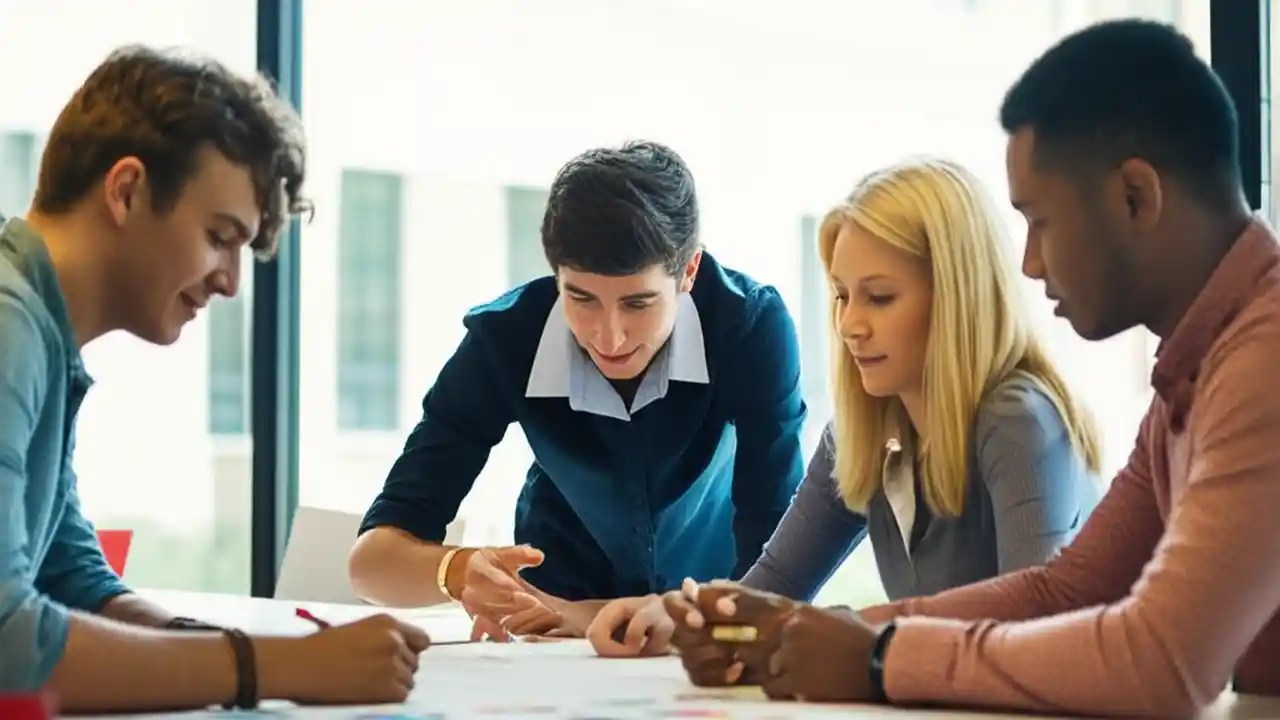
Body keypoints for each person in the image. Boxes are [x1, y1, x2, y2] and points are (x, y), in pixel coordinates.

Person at [661, 19, 1280, 718]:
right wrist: (803, 635)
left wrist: (878, 657)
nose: (1029, 264)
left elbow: (1161, 664)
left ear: (1136, 197)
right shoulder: (1194, 370)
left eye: (1040, 221)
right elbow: (1064, 591)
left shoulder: (1264, 359)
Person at [0, 46, 430, 711]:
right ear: (126, 191)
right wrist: (272, 667)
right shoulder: (9, 326)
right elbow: (8, 643)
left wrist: (208, 640)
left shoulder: (42, 334)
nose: (230, 281)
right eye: (219, 235)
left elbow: (67, 574)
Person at [586, 157, 1102, 658]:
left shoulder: (1018, 419)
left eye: (878, 298)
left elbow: (1032, 629)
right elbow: (775, 587)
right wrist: (677, 616)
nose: (850, 325)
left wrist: (831, 632)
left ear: (956, 298)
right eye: (841, 296)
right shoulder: (862, 432)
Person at [348, 141, 808, 639]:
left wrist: (668, 619)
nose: (608, 337)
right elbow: (369, 564)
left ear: (688, 272)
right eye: (580, 298)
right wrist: (455, 571)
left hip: (709, 623)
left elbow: (784, 570)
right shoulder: (506, 337)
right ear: (556, 275)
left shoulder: (749, 326)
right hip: (546, 623)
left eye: (638, 303)